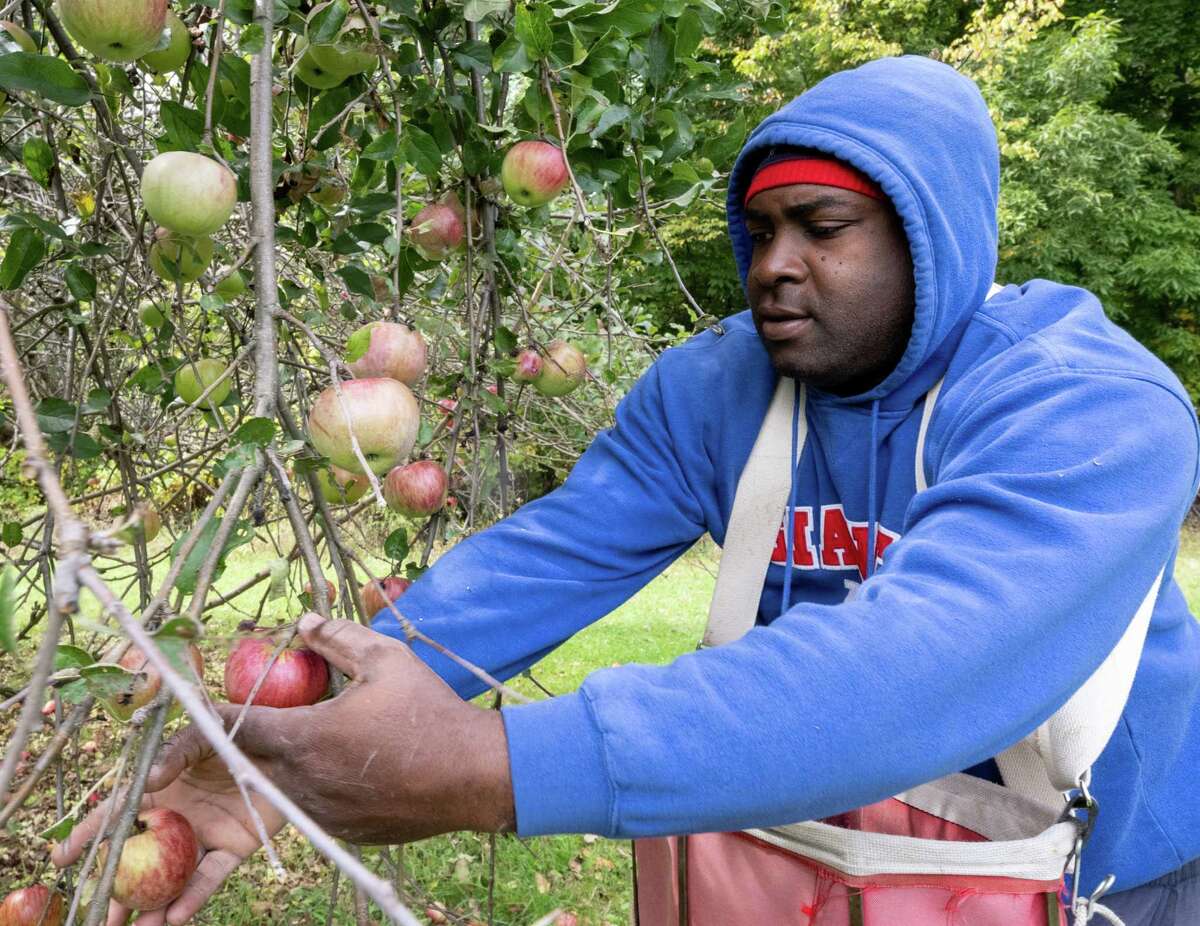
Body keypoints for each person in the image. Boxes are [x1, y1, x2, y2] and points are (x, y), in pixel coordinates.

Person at [55, 54, 1200, 925]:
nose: (773, 266)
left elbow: (927, 666)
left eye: (823, 227)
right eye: (758, 230)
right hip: (830, 867)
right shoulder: (721, 389)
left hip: (1113, 881)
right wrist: (291, 728)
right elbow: (545, 560)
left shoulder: (1087, 411)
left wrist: (484, 770)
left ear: (935, 237)